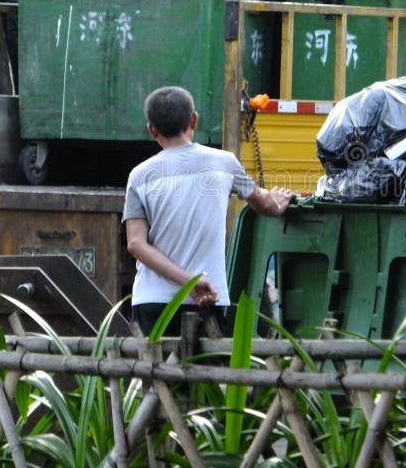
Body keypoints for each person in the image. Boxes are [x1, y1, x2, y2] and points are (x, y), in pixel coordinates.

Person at [123, 86, 295, 336]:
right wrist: (279, 201)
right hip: (206, 298)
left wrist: (188, 282)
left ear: (152, 129)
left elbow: (136, 244)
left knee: (157, 372)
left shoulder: (139, 176)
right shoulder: (224, 162)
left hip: (151, 302)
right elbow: (266, 205)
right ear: (194, 119)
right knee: (207, 374)